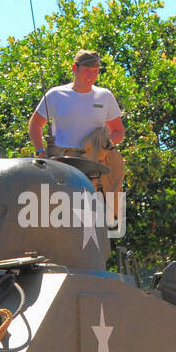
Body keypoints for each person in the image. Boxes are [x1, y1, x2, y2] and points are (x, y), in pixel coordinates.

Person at [27, 49, 125, 223]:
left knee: (97, 215)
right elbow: (35, 125)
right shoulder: (56, 94)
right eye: (87, 70)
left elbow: (118, 131)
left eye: (95, 71)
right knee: (58, 213)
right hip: (63, 160)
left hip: (95, 161)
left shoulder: (104, 96)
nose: (91, 75)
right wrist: (41, 152)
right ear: (75, 68)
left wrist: (104, 145)